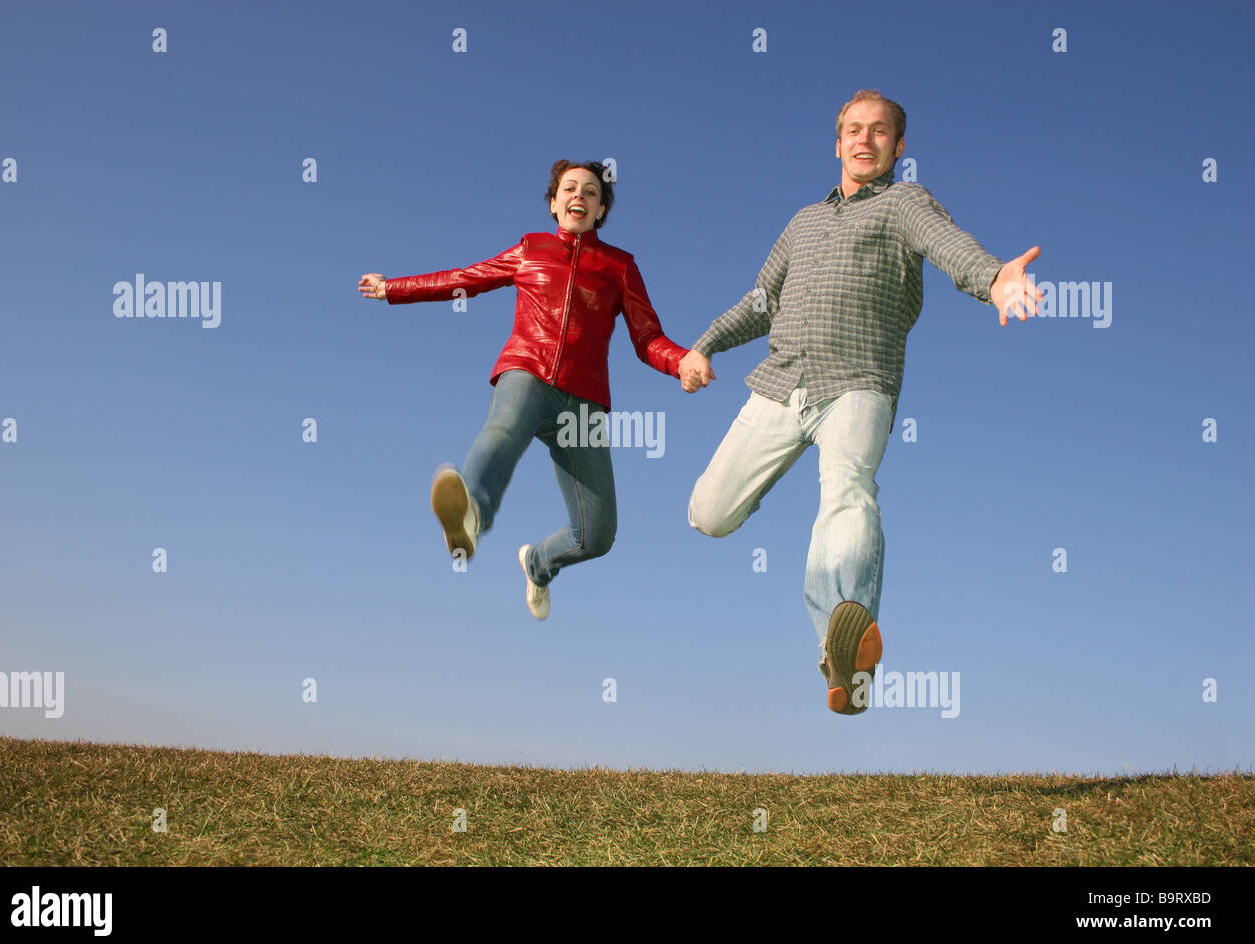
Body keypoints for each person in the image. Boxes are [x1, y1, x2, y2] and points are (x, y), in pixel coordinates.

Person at [678, 90, 1042, 715]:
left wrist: (994, 278)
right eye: (853, 130)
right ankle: (846, 649)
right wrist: (704, 344)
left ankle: (844, 651)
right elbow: (762, 301)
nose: (865, 140)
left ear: (899, 147)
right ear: (838, 142)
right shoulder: (802, 222)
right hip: (781, 380)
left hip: (858, 380)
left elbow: (947, 244)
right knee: (708, 512)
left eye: (879, 132)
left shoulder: (906, 203)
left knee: (846, 492)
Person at [359, 159, 701, 619]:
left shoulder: (620, 267)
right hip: (527, 370)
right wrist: (393, 288)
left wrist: (680, 362)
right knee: (503, 429)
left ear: (601, 211)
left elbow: (647, 338)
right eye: (569, 189)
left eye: (591, 192)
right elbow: (466, 278)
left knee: (597, 535)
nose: (579, 196)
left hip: (583, 404)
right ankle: (471, 515)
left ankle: (538, 565)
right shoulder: (531, 249)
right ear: (554, 203)